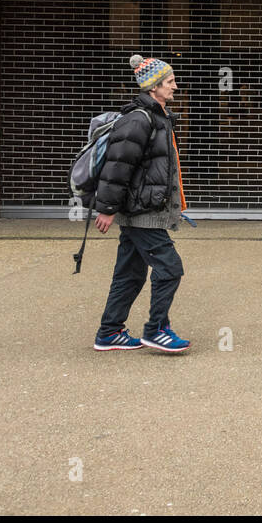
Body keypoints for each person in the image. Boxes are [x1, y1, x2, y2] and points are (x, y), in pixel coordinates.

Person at [91, 54, 193, 352]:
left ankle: (109, 333)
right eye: (170, 82)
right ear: (153, 88)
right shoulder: (139, 119)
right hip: (142, 213)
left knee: (130, 272)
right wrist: (107, 209)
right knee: (170, 267)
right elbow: (117, 166)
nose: (175, 86)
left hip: (145, 209)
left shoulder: (157, 116)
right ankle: (156, 329)